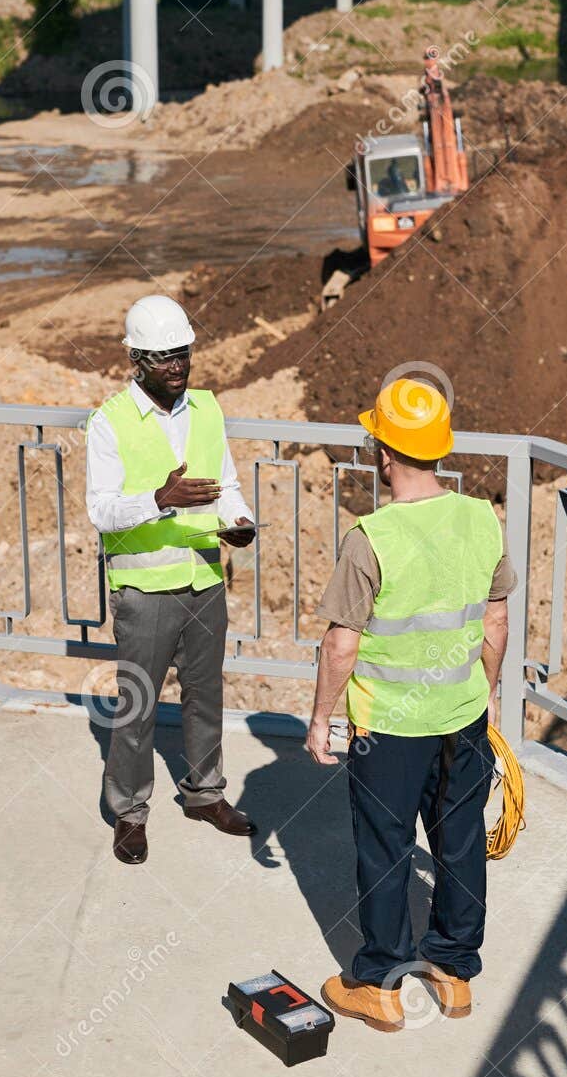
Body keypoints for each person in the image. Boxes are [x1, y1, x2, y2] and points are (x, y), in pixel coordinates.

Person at [304, 378, 515, 1031]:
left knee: (385, 847)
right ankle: (454, 974)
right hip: (462, 715)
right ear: (438, 450)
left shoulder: (370, 537)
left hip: (390, 727)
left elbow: (341, 645)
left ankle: (379, 984)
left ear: (383, 453)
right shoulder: (481, 518)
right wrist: (487, 697)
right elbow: (495, 621)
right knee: (460, 839)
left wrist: (321, 718)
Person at [86, 295, 258, 865]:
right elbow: (101, 511)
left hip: (204, 578)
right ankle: (129, 812)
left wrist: (238, 522)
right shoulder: (109, 421)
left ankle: (205, 795)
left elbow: (227, 485)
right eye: (164, 357)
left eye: (183, 353)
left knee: (206, 696)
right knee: (137, 707)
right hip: (143, 591)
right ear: (135, 359)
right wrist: (160, 499)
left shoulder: (207, 409)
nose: (177, 365)